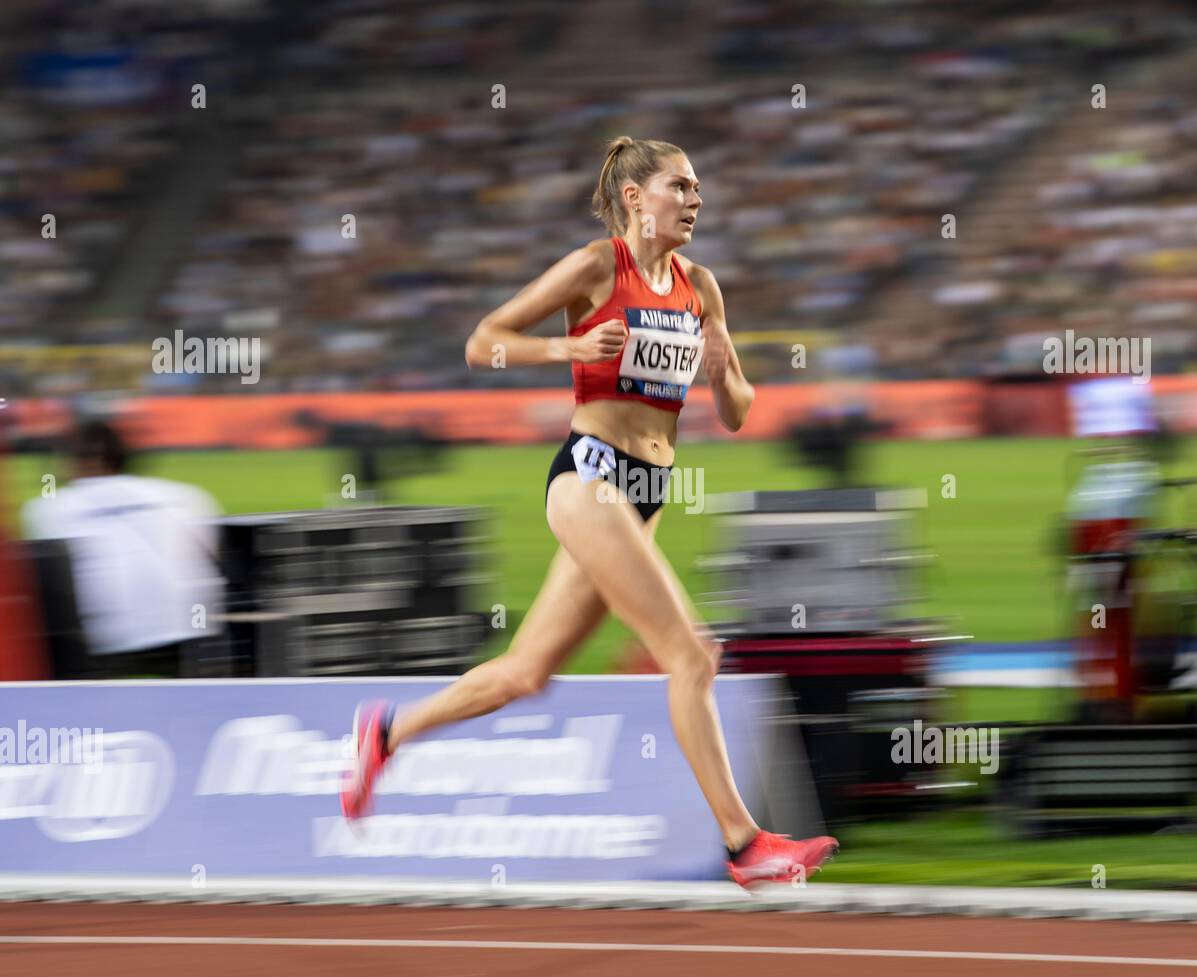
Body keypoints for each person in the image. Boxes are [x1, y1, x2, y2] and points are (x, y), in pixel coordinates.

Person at [339, 136, 837, 887]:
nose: (697, 200)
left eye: (700, 188)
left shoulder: (702, 286)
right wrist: (566, 350)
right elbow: (484, 343)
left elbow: (735, 412)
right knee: (693, 655)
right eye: (682, 185)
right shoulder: (597, 266)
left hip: (648, 492)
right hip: (588, 478)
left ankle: (385, 732)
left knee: (525, 673)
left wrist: (723, 361)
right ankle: (745, 845)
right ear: (637, 199)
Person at [21, 419, 225, 677]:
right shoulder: (188, 496)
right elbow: (211, 557)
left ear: (80, 460)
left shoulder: (49, 509)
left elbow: (47, 583)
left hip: (107, 642)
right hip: (193, 630)